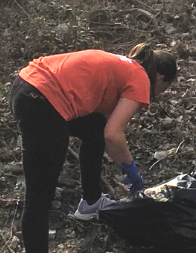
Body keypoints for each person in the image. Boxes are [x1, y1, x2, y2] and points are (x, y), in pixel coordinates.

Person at [10, 43, 177, 253]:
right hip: (42, 101)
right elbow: (113, 134)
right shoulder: (141, 79)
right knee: (39, 198)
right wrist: (130, 168)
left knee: (95, 128)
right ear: (160, 78)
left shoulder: (125, 66)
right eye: (165, 88)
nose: (159, 94)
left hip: (25, 84)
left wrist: (120, 158)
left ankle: (91, 202)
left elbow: (106, 127)